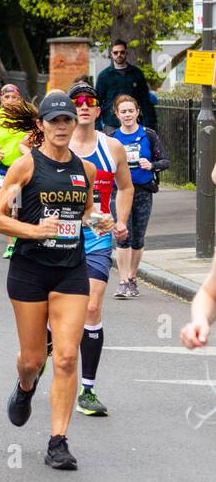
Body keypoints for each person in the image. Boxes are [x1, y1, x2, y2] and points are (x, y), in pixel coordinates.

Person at [0, 93, 108, 471]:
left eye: (66, 121)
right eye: (53, 121)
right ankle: (25, 387)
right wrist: (34, 230)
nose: (60, 127)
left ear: (75, 125)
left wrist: (96, 221)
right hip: (29, 270)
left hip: (70, 269)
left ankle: (58, 440)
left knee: (68, 356)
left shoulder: (85, 169)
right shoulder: (25, 166)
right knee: (33, 359)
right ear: (41, 125)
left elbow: (85, 210)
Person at [65, 82, 132, 417]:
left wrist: (121, 220)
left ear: (98, 109)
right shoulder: (55, 146)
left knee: (91, 307)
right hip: (59, 236)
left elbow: (126, 187)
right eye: (77, 101)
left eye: (90, 101)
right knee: (57, 312)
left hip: (97, 236)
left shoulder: (113, 148)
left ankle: (87, 390)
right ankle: (47, 356)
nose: (84, 106)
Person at [111, 95, 168, 298]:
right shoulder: (112, 138)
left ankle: (133, 277)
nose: (127, 115)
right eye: (123, 111)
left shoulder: (148, 135)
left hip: (143, 190)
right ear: (117, 114)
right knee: (122, 234)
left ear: (137, 112)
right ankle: (123, 281)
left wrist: (151, 165)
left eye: (130, 111)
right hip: (118, 192)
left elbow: (164, 161)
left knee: (138, 237)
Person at [0, 83, 31, 259]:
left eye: (14, 97)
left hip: (24, 167)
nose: (10, 101)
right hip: (2, 168)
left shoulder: (26, 118)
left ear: (19, 99)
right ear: (1, 99)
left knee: (23, 204)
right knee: (10, 204)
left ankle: (24, 240)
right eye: (7, 97)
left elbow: (36, 136)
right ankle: (11, 244)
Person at [94, 40, 156, 131]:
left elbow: (145, 101)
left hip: (134, 123)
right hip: (112, 125)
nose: (119, 55)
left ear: (126, 53)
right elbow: (97, 102)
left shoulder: (137, 74)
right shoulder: (104, 76)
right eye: (116, 52)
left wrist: (149, 126)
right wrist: (97, 127)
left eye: (122, 52)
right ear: (111, 54)